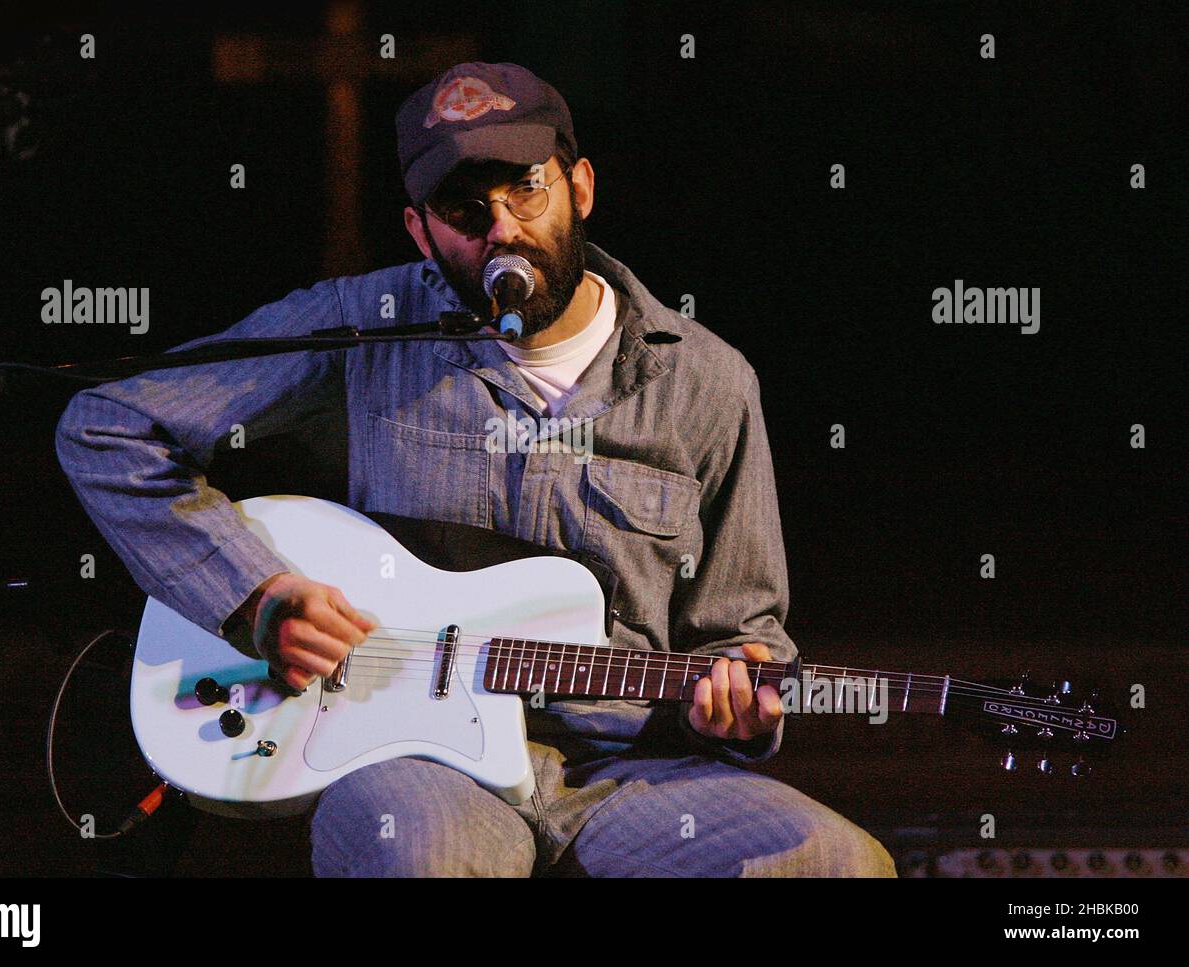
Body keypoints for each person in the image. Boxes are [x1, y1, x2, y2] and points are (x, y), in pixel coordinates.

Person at [55, 61, 896, 877]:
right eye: (464, 207)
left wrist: (738, 710)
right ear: (421, 230)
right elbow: (110, 423)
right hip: (412, 759)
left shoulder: (707, 381)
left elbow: (739, 637)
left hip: (628, 777)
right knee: (423, 851)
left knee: (837, 861)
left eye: (527, 187)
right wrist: (255, 595)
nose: (503, 227)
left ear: (582, 186)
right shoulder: (365, 328)